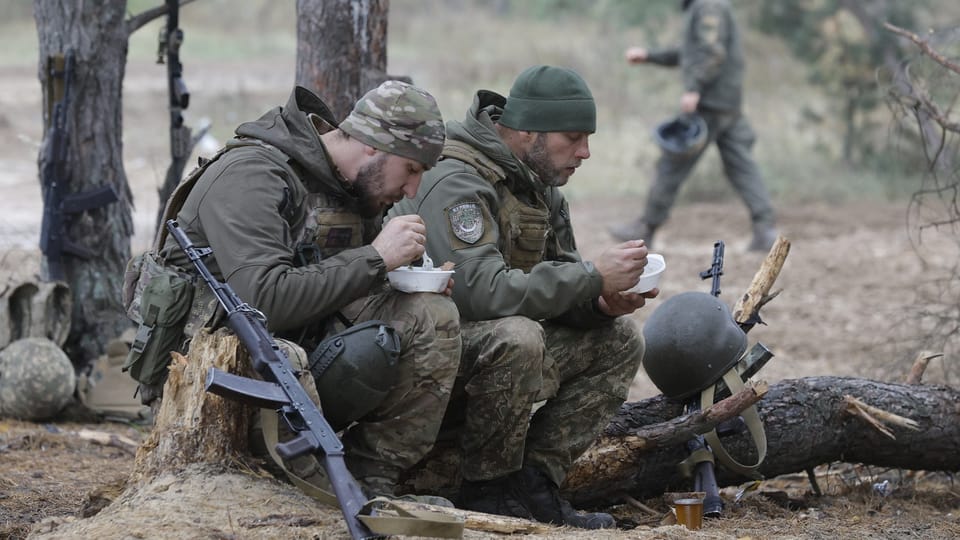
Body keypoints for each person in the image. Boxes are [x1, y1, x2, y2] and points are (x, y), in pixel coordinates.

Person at [155, 81, 462, 500]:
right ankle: (310, 487)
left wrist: (405, 281)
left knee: (430, 316)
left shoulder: (351, 185)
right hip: (213, 369)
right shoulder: (251, 175)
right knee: (287, 354)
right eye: (411, 169)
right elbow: (263, 301)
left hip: (299, 350)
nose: (412, 190)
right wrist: (375, 258)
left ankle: (371, 483)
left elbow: (332, 277)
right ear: (372, 145)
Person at [390, 65, 656, 529]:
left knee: (619, 339)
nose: (585, 152)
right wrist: (592, 277)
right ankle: (487, 490)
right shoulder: (457, 178)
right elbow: (479, 293)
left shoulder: (538, 185)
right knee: (518, 336)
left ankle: (534, 484)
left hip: (483, 353)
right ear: (527, 131)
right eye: (573, 138)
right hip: (423, 360)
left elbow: (562, 282)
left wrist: (599, 303)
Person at [607, 0, 778, 252]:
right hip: (726, 103)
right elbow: (691, 52)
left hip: (708, 104)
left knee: (672, 164)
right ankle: (764, 229)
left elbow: (711, 51)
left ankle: (646, 227)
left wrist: (694, 88)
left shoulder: (708, 6)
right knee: (742, 166)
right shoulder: (709, 5)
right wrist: (650, 56)